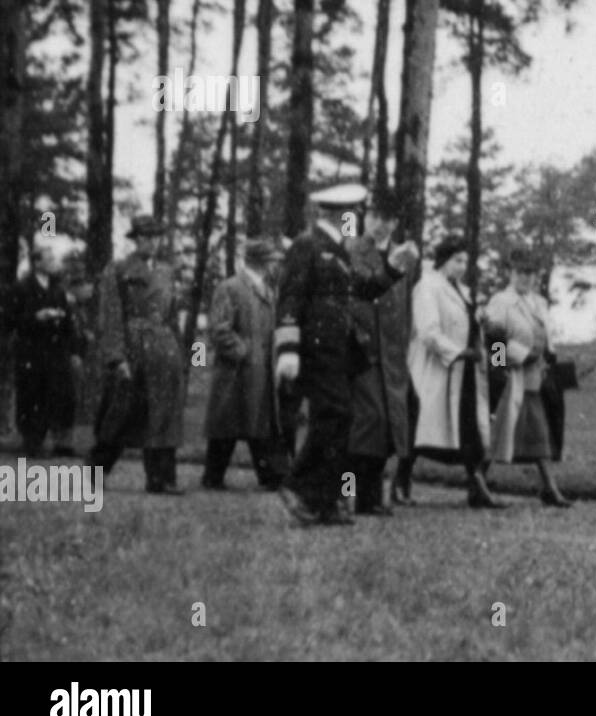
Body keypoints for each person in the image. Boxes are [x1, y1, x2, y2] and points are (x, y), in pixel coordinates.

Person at [273, 183, 419, 526]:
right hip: (316, 349)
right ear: (342, 214)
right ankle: (297, 487)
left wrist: (394, 270)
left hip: (339, 352)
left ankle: (323, 501)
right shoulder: (307, 246)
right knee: (334, 416)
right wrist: (288, 348)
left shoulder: (336, 251)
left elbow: (362, 290)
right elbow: (290, 298)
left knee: (341, 420)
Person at [401, 235, 503, 509]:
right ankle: (401, 482)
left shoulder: (463, 290)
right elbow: (428, 332)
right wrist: (459, 352)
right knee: (422, 428)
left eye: (465, 262)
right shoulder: (427, 288)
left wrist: (482, 322)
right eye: (457, 261)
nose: (462, 267)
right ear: (444, 260)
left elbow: (467, 321)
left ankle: (477, 488)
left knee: (469, 427)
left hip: (465, 372)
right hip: (437, 368)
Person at [89, 214, 186, 494]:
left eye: (156, 237)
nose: (151, 243)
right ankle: (95, 469)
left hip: (164, 349)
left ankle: (162, 479)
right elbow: (111, 316)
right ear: (135, 239)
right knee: (122, 414)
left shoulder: (167, 272)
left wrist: (184, 355)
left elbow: (174, 316)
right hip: (133, 348)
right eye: (145, 237)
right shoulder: (118, 270)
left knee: (164, 415)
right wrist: (116, 357)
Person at [344, 189, 416, 516]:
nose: (379, 225)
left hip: (393, 356)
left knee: (390, 425)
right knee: (367, 422)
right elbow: (351, 299)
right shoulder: (352, 250)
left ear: (395, 222)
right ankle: (355, 495)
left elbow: (403, 308)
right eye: (374, 216)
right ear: (364, 217)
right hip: (363, 350)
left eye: (387, 219)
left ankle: (372, 496)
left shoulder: (405, 258)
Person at [483, 248, 571, 507]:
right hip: (512, 377)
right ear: (511, 273)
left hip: (536, 377)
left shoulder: (539, 303)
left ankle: (549, 488)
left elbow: (545, 337)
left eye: (531, 273)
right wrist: (506, 364)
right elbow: (492, 341)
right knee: (502, 430)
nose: (526, 278)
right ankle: (476, 480)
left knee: (537, 433)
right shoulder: (501, 301)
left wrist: (549, 353)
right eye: (521, 272)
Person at [200, 238, 289, 490]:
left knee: (257, 424)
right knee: (227, 427)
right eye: (273, 261)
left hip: (260, 370)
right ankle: (213, 476)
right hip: (236, 371)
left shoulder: (268, 290)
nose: (276, 266)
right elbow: (218, 329)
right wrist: (243, 351)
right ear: (262, 262)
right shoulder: (230, 287)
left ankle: (271, 476)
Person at [9, 245, 83, 458]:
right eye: (49, 259)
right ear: (37, 263)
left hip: (56, 353)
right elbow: (10, 321)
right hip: (31, 352)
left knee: (60, 394)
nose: (54, 263)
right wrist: (35, 318)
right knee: (32, 395)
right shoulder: (21, 288)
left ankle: (61, 441)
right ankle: (32, 440)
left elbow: (69, 323)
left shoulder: (58, 291)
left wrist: (74, 351)